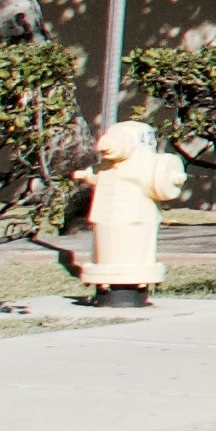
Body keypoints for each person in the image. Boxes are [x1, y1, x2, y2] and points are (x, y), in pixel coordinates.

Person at [71, 115, 188, 309]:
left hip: (130, 214)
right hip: (123, 214)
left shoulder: (134, 166)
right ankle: (120, 289)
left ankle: (119, 289)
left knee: (120, 243)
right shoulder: (113, 169)